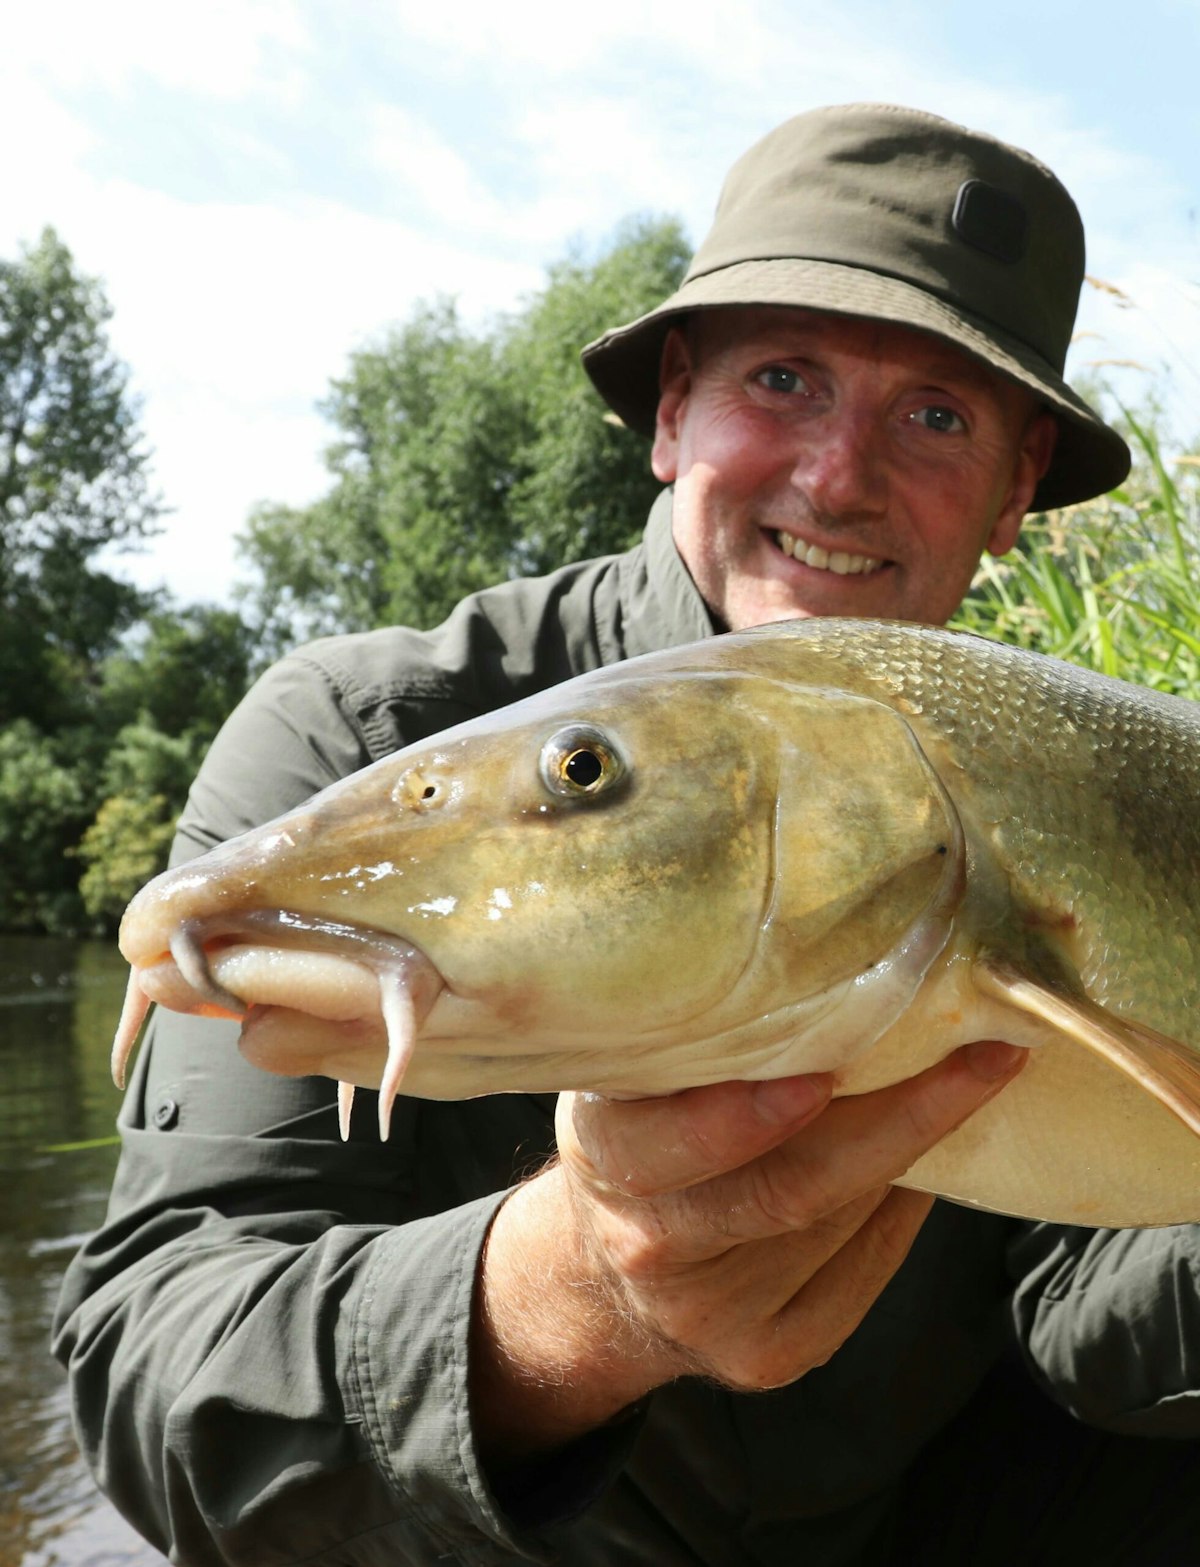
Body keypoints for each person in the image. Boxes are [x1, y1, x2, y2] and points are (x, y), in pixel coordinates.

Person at [53, 104, 1200, 1566]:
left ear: (1016, 490)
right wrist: (571, 1297)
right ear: (673, 410)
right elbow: (158, 1369)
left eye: (936, 417)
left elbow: (1089, 1327)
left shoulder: (1064, 774)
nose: (840, 478)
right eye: (783, 378)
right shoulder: (355, 736)